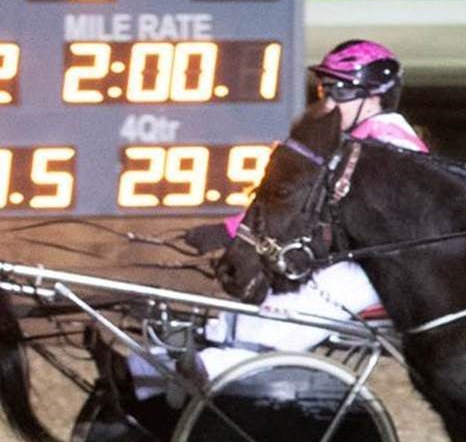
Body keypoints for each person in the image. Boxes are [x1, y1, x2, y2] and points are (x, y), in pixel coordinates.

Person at [181, 42, 430, 382]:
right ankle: (213, 347)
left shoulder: (391, 142)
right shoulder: (352, 140)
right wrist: (231, 229)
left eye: (338, 92)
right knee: (275, 280)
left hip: (388, 267)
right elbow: (292, 206)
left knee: (306, 293)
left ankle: (223, 366)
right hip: (359, 259)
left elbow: (402, 225)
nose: (326, 102)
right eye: (323, 90)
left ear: (374, 97)